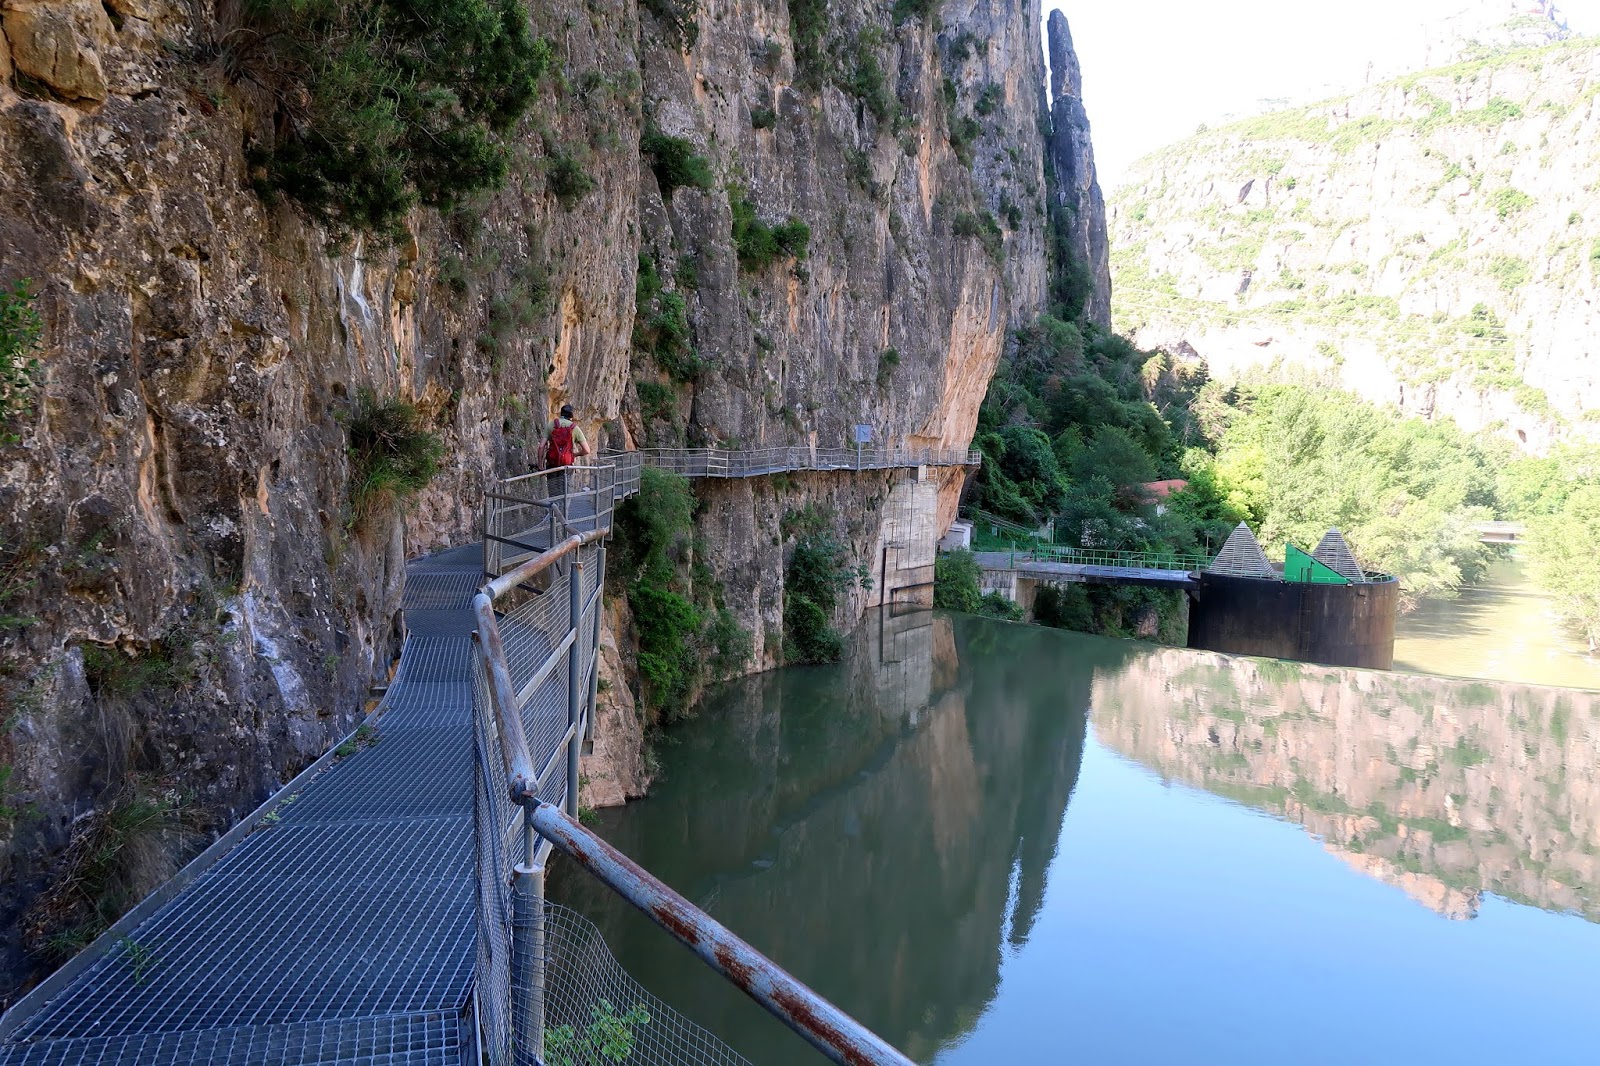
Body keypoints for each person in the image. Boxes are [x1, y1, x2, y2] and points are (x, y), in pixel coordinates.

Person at [541, 403, 590, 499]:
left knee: (553, 492)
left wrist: (540, 464)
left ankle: (553, 511)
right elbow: (587, 450)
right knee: (565, 493)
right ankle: (563, 512)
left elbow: (541, 446)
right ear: (571, 415)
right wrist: (574, 455)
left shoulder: (552, 425)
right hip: (567, 466)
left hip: (552, 464)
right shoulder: (574, 428)